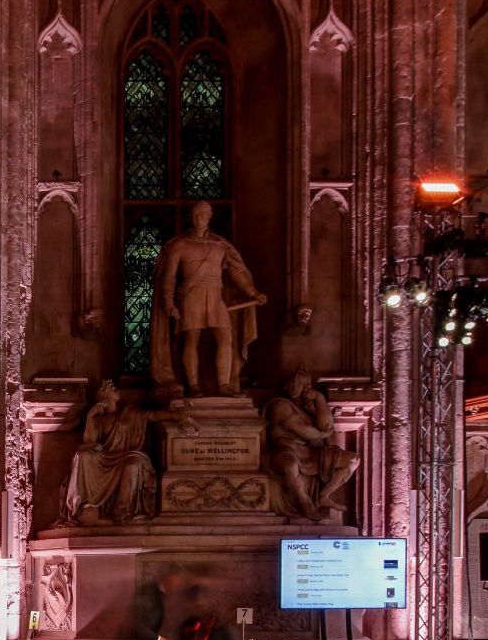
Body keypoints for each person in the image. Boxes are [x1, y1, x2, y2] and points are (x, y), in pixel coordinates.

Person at [149, 200, 266, 396]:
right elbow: (168, 278)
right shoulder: (180, 245)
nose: (199, 218)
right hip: (190, 295)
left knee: (225, 337)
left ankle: (224, 385)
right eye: (195, 215)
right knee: (192, 339)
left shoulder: (220, 246)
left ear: (209, 217)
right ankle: (193, 385)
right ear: (191, 217)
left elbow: (236, 273)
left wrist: (253, 292)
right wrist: (169, 303)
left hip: (214, 295)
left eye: (203, 215)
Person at [62, 383, 195, 523]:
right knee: (83, 455)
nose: (117, 390)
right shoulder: (99, 419)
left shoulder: (130, 413)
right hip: (104, 458)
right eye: (112, 389)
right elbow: (89, 441)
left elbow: (152, 416)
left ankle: (123, 510)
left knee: (133, 463)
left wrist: (174, 415)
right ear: (104, 396)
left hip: (125, 456)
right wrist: (90, 416)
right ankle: (86, 504)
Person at [265, 369, 358, 521]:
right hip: (286, 451)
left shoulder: (309, 411)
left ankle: (324, 495)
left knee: (352, 460)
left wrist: (320, 399)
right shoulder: (280, 405)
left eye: (308, 385)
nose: (306, 389)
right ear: (290, 387)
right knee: (290, 464)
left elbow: (328, 431)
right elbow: (306, 432)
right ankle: (305, 503)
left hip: (309, 452)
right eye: (301, 384)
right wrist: (324, 433)